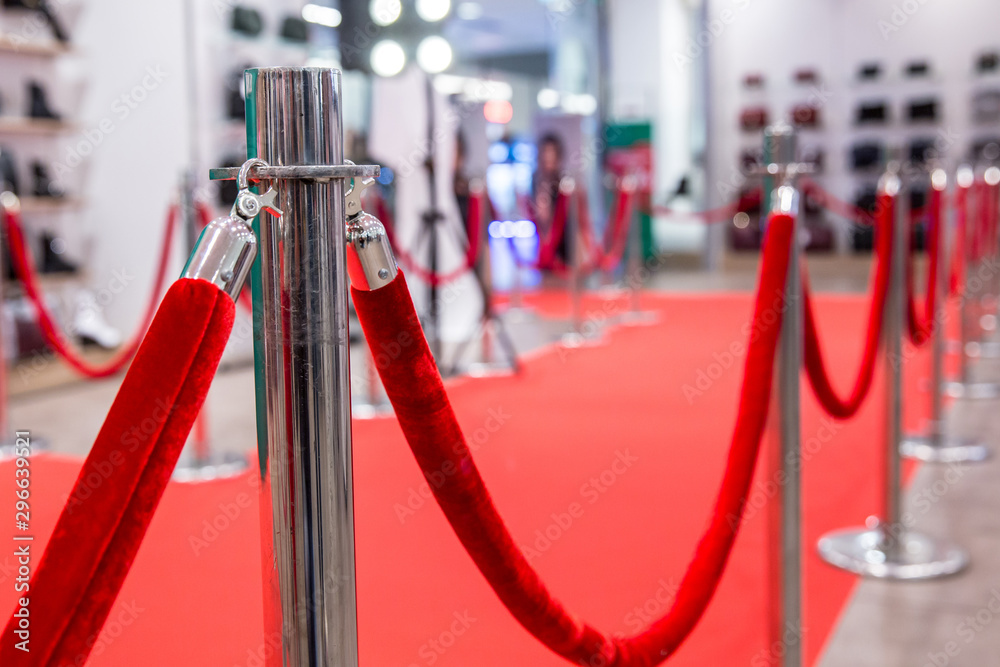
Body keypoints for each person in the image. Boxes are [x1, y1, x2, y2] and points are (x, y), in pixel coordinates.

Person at [531, 132, 568, 264]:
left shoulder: (566, 186)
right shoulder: (535, 182)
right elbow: (540, 218)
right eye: (544, 152)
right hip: (544, 249)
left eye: (551, 152)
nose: (547, 157)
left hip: (565, 248)